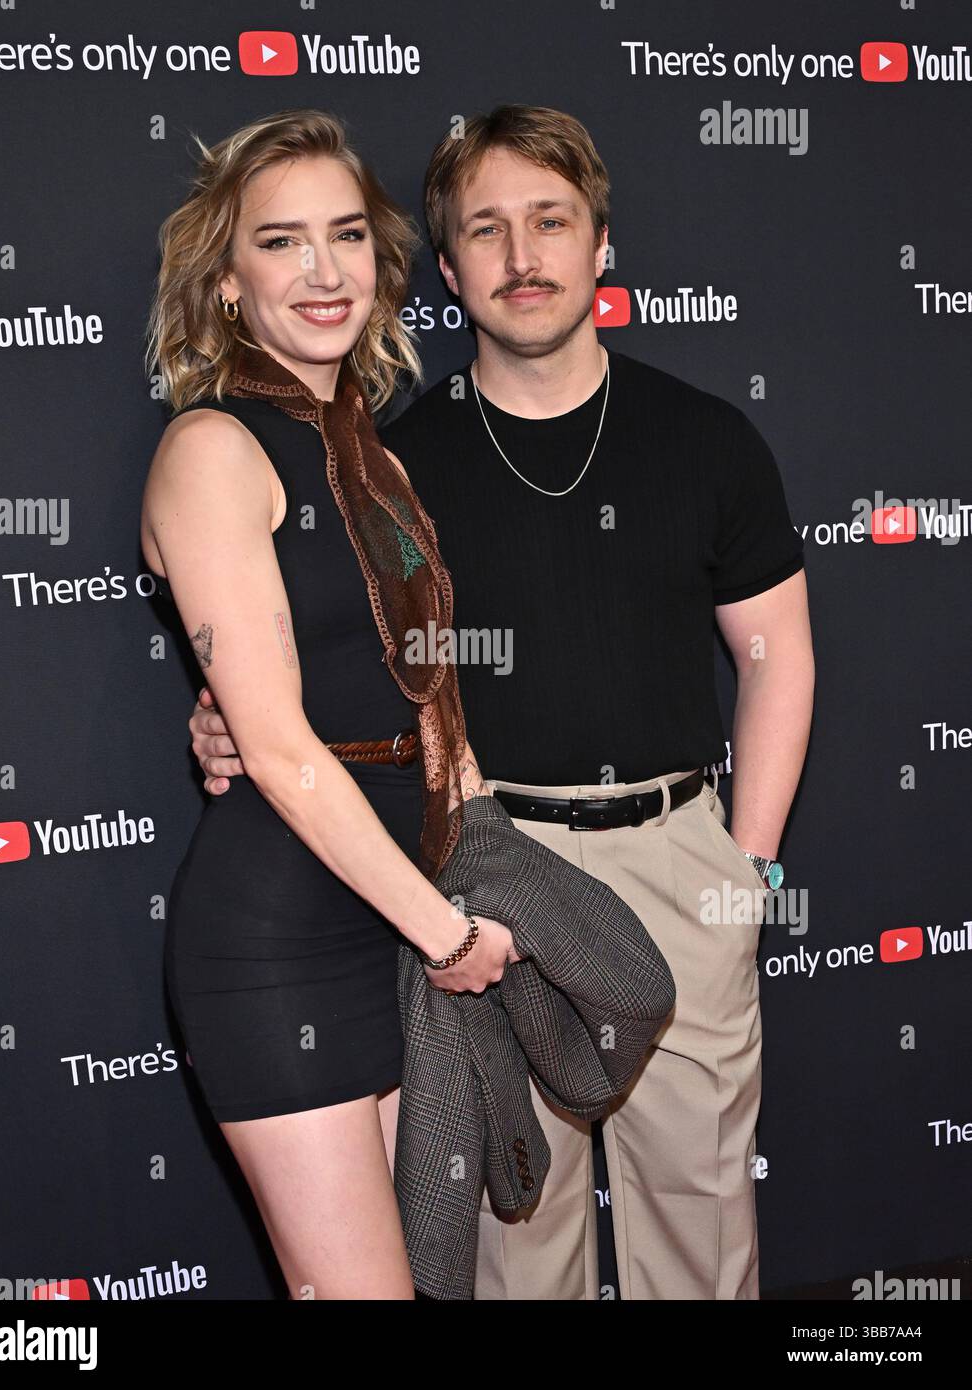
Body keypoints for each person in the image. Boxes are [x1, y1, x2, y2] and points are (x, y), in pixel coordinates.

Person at [189, 104, 816, 1300]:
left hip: (683, 856)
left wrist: (750, 873)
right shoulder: (389, 463)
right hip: (488, 873)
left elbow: (779, 655)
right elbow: (317, 658)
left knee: (701, 1217)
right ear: (447, 265)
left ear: (601, 244)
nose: (522, 256)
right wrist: (226, 715)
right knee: (515, 1234)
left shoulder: (708, 440)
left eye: (550, 221)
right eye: (486, 229)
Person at [140, 108, 519, 1301]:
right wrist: (447, 933)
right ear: (228, 282)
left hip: (397, 909)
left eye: (346, 236)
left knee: (425, 1279)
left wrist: (468, 881)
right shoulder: (214, 448)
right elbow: (284, 751)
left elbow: (425, 696)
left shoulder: (373, 457)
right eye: (282, 241)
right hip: (284, 936)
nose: (322, 271)